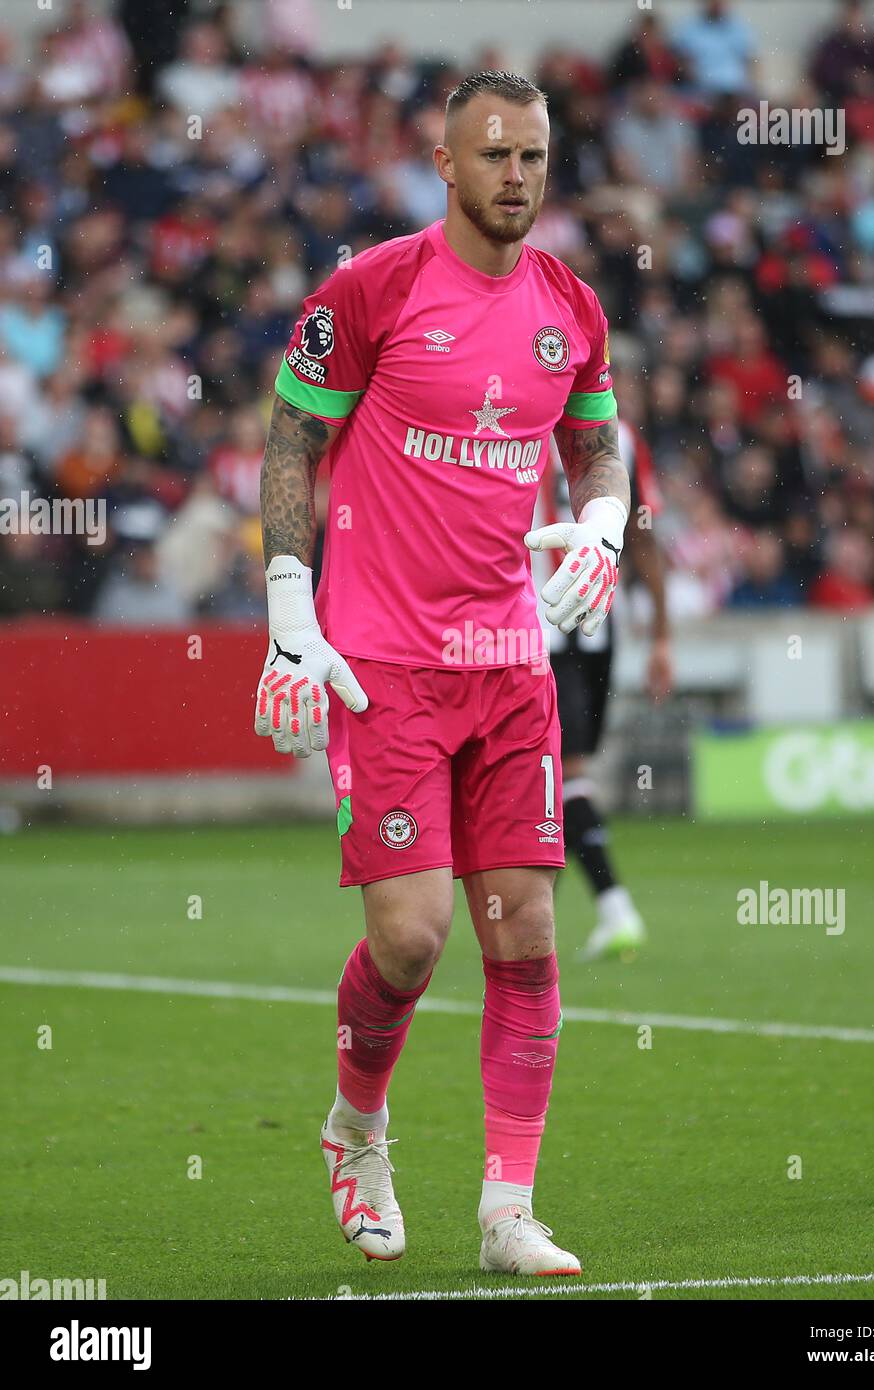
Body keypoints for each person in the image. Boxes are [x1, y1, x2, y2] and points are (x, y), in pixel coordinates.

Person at [253, 71, 629, 1277]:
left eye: (531, 156)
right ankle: (356, 1126)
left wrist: (605, 523)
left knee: (522, 938)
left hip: (509, 663)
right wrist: (283, 602)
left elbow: (594, 441)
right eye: (493, 154)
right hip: (389, 666)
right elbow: (291, 433)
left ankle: (506, 1207)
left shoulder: (568, 306)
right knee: (413, 939)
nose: (514, 174)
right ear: (444, 163)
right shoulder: (374, 287)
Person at [531, 404, 670, 960]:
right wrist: (662, 635)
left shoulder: (512, 421)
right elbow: (642, 538)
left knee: (561, 773)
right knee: (560, 774)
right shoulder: (622, 435)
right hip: (596, 622)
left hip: (537, 625)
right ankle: (539, 924)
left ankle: (614, 909)